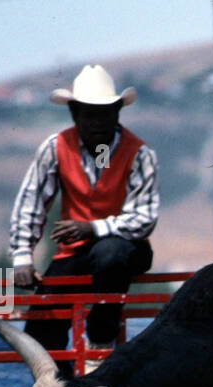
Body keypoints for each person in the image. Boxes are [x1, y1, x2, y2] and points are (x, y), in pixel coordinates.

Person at [9, 65, 159, 364]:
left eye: (105, 113)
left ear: (117, 114)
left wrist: (93, 228)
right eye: (89, 114)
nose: (98, 122)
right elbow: (31, 200)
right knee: (42, 324)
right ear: (75, 115)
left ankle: (99, 343)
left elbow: (145, 217)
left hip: (125, 249)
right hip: (75, 255)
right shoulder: (56, 147)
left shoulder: (139, 153)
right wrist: (22, 255)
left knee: (111, 253)